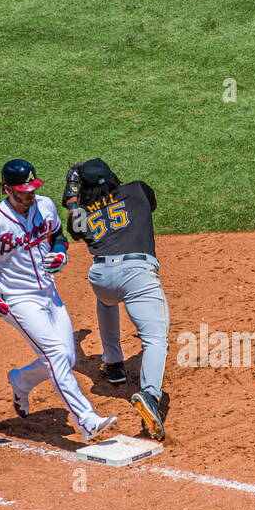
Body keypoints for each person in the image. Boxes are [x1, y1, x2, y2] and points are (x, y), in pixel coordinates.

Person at [0, 158, 118, 443]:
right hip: (19, 300)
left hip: (50, 292)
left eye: (32, 187)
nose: (30, 194)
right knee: (56, 356)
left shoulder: (44, 205)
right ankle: (86, 420)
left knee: (67, 357)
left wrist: (61, 253)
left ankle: (20, 380)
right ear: (7, 189)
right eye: (23, 190)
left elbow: (58, 235)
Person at [63, 158, 170, 441]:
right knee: (155, 340)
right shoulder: (137, 190)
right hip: (136, 276)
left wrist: (74, 199)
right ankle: (150, 395)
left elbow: (74, 228)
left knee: (107, 301)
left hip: (101, 278)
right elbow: (149, 204)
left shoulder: (82, 213)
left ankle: (113, 363)